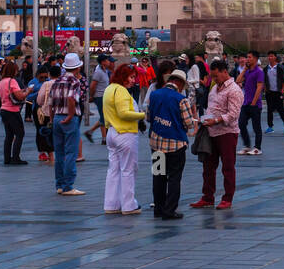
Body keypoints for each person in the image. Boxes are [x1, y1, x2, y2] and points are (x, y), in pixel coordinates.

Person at [148, 66, 198, 219]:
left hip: (156, 144)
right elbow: (189, 123)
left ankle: (158, 208)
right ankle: (169, 210)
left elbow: (149, 117)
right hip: (175, 145)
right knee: (174, 177)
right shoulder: (180, 99)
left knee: (158, 176)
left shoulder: (154, 95)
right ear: (180, 83)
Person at [192, 59, 242, 210]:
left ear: (224, 72)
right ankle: (207, 197)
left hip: (227, 133)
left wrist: (217, 120)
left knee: (227, 167)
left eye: (216, 76)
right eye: (212, 77)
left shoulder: (234, 90)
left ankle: (227, 198)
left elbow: (233, 115)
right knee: (208, 166)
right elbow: (210, 108)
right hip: (211, 132)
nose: (214, 79)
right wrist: (206, 120)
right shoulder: (214, 88)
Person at [102, 62, 147, 215]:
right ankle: (129, 205)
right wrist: (143, 115)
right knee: (128, 170)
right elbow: (123, 113)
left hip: (112, 132)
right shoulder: (121, 91)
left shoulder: (109, 89)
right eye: (131, 77)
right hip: (125, 133)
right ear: (124, 77)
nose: (133, 80)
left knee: (113, 170)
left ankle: (111, 204)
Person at [50, 54, 89, 195]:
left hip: (56, 118)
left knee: (59, 153)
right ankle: (68, 186)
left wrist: (52, 118)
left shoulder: (57, 81)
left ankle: (59, 184)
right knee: (71, 153)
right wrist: (71, 115)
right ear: (78, 67)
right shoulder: (75, 82)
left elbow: (51, 102)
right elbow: (72, 99)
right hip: (69, 118)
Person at [0, 60, 29, 165]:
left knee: (9, 135)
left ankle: (7, 158)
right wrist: (28, 91)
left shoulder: (1, 81)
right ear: (13, 70)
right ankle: (15, 157)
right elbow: (20, 96)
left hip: (4, 109)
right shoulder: (12, 81)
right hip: (12, 110)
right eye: (16, 69)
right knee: (20, 133)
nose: (17, 71)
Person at [236, 51, 265, 156]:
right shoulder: (247, 71)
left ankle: (258, 148)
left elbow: (259, 88)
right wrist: (244, 70)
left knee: (256, 127)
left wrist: (253, 102)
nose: (247, 59)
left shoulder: (259, 71)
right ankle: (247, 146)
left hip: (255, 104)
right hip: (246, 103)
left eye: (249, 57)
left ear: (256, 59)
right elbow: (238, 80)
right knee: (241, 123)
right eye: (247, 57)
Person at [85, 54, 113, 147]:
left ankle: (91, 132)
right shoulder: (98, 72)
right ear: (103, 62)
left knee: (104, 117)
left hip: (104, 96)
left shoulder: (105, 71)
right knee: (104, 117)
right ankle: (102, 137)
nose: (109, 61)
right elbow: (93, 85)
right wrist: (92, 96)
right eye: (107, 60)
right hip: (100, 97)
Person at [263, 51, 284, 134]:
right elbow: (264, 80)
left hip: (278, 92)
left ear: (275, 57)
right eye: (269, 56)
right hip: (269, 92)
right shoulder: (266, 68)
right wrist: (265, 89)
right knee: (269, 110)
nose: (270, 58)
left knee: (280, 109)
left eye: (272, 56)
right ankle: (270, 127)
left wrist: (283, 89)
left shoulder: (280, 67)